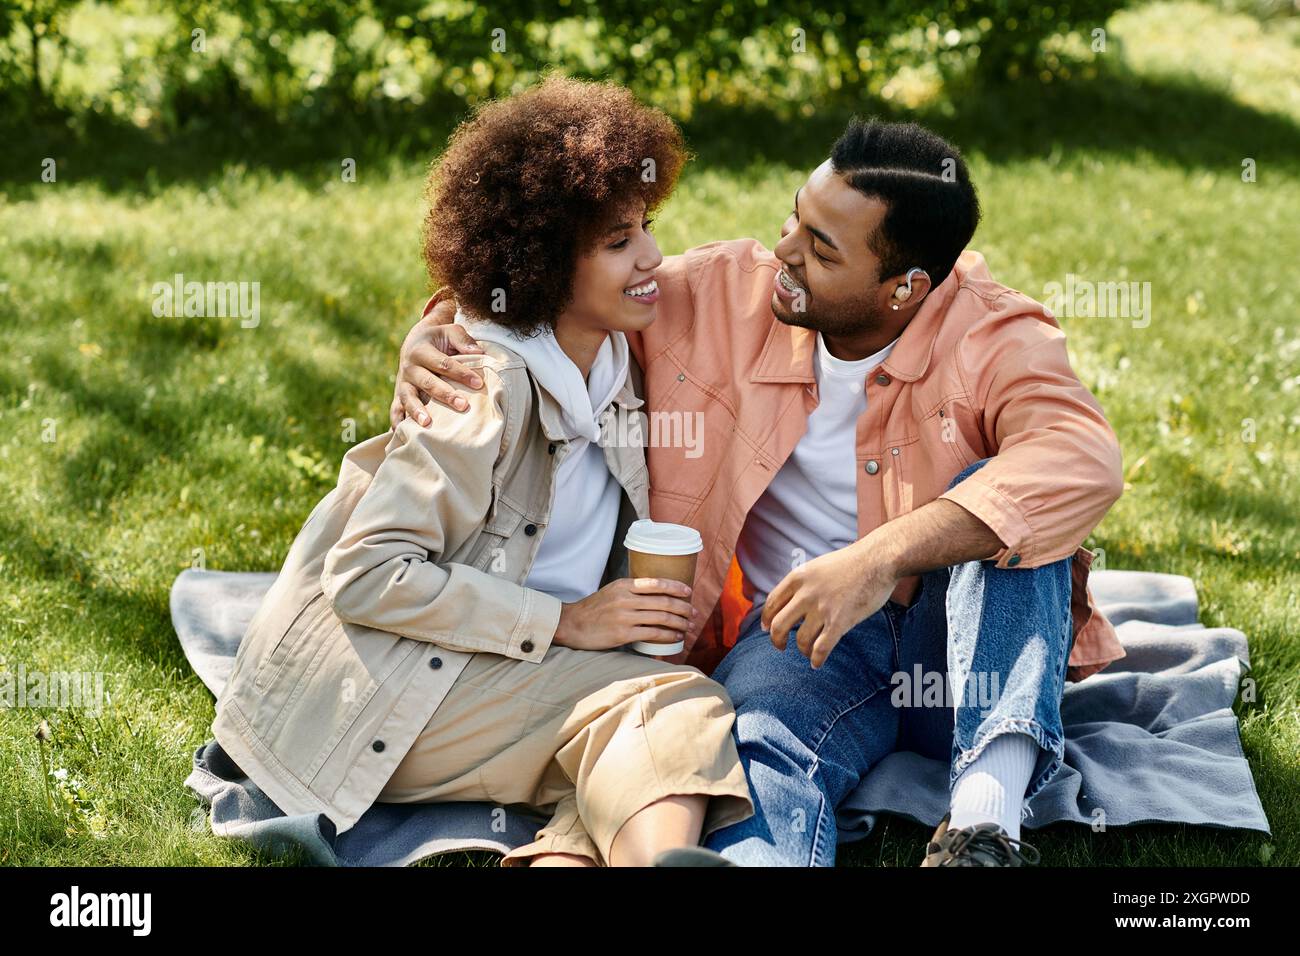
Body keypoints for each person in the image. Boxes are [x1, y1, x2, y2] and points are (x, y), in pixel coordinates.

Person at [391, 116, 1126, 866]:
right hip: (805, 636)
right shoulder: (719, 298)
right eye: (795, 219)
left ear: (904, 289)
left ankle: (983, 826)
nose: (784, 251)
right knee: (755, 745)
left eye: (821, 250)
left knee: (1015, 511)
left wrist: (875, 560)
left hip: (965, 647)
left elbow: (1082, 459)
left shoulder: (995, 333)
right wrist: (444, 328)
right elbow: (562, 284)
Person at [210, 75, 755, 868]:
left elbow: (778, 282)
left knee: (630, 734)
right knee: (677, 706)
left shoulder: (613, 351)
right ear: (537, 264)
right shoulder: (478, 388)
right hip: (403, 693)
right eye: (617, 242)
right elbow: (366, 573)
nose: (653, 256)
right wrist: (566, 622)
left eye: (646, 226)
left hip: (513, 673)